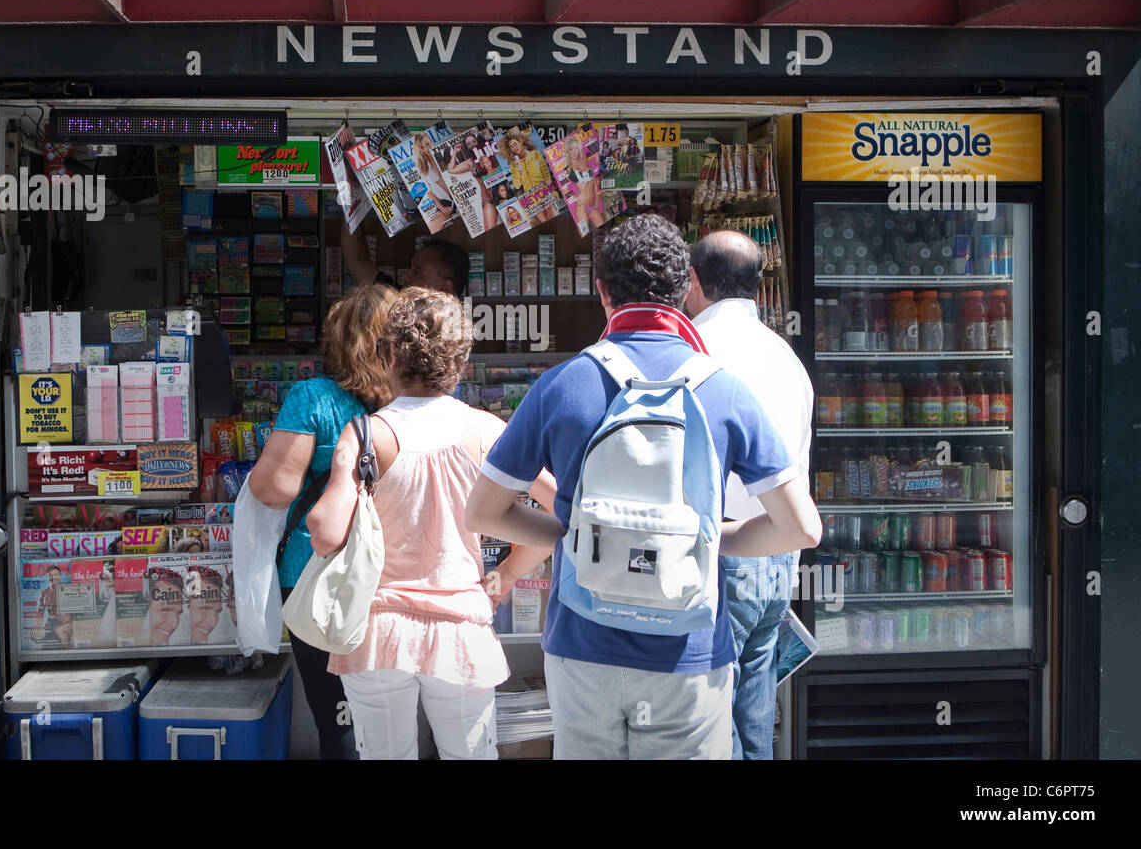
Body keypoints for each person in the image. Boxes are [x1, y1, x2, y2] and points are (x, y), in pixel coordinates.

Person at [466, 213, 821, 760]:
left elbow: (484, 513)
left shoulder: (563, 383)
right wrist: (707, 537)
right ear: (683, 290)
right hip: (690, 654)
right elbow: (801, 528)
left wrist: (573, 531)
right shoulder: (722, 387)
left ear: (603, 292)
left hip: (584, 646)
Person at [306, 288, 556, 760]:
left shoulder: (364, 434)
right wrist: (508, 572)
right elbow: (559, 510)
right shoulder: (486, 429)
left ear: (392, 355)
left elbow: (325, 534)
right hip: (460, 625)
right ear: (459, 361)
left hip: (378, 626)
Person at [249, 282, 398, 760]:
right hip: (402, 574)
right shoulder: (423, 405)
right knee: (397, 714)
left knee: (340, 721)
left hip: (321, 579)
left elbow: (273, 489)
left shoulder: (314, 398)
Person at [687, 229, 815, 760]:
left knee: (713, 710)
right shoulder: (786, 356)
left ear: (692, 281)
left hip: (725, 550)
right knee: (756, 699)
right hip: (779, 555)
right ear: (757, 288)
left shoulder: (698, 348)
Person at [339, 216, 469, 297]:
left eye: (417, 273)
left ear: (444, 288)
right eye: (412, 268)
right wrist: (351, 205)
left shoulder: (452, 334)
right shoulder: (398, 299)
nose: (405, 276)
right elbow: (356, 260)